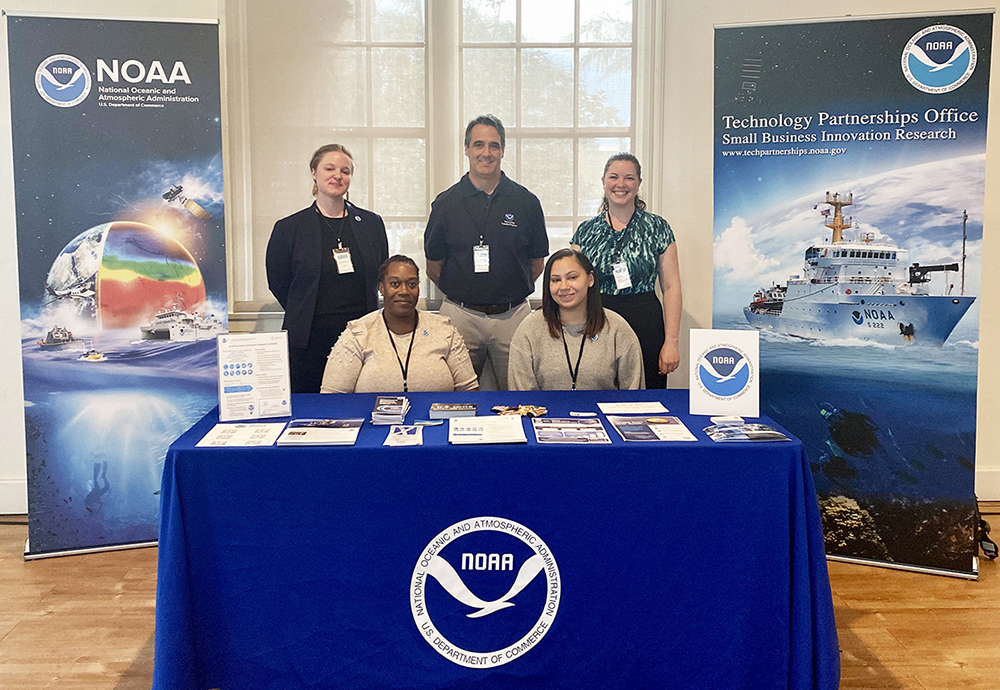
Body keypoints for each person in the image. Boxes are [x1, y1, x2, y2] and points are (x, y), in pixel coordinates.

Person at [424, 114, 548, 390]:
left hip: (512, 316)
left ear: (503, 151)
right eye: (478, 145)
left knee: (519, 395)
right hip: (460, 314)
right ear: (467, 149)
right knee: (454, 395)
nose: (486, 153)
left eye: (494, 146)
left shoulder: (526, 202)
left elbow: (536, 263)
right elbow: (434, 266)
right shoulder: (446, 204)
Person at [266, 144, 388, 393]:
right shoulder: (289, 228)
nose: (338, 176)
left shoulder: (371, 224)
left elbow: (380, 273)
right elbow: (278, 281)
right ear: (314, 172)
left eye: (345, 171)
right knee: (310, 415)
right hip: (309, 341)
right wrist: (303, 308)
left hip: (362, 338)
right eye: (329, 168)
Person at [571, 152, 682, 388]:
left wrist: (671, 342)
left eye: (629, 178)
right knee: (597, 391)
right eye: (614, 177)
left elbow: (672, 287)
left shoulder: (658, 227)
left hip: (646, 320)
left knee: (648, 395)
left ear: (639, 183)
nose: (621, 184)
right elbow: (573, 286)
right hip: (596, 320)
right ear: (603, 182)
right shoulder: (585, 232)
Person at [320, 256, 478, 394]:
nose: (404, 291)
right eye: (395, 284)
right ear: (381, 288)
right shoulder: (358, 333)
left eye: (411, 284)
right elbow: (333, 396)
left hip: (438, 424)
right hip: (373, 425)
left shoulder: (444, 330)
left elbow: (469, 390)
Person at [508, 249, 643, 391]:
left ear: (590, 279)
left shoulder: (617, 328)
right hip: (546, 413)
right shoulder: (528, 330)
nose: (564, 287)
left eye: (572, 277)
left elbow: (633, 393)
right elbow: (521, 397)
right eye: (556, 280)